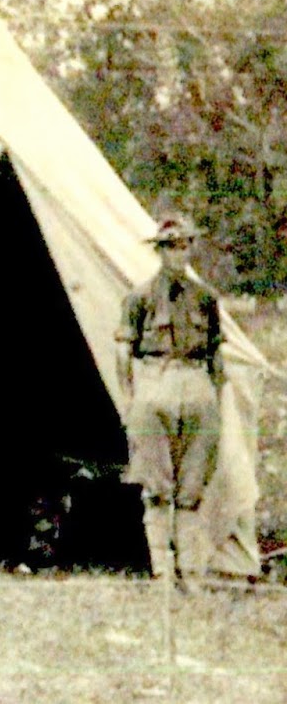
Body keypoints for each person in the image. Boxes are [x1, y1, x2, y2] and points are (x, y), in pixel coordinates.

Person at [116, 213, 225, 587]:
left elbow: (216, 355)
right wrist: (130, 399)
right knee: (157, 487)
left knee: (192, 487)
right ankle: (163, 571)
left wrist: (214, 399)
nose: (178, 254)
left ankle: (190, 572)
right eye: (170, 247)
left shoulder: (206, 298)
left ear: (191, 248)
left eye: (183, 246)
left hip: (195, 384)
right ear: (159, 252)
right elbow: (124, 351)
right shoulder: (139, 297)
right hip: (155, 381)